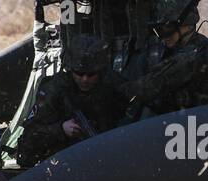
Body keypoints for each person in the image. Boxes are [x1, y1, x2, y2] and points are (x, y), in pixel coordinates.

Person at [14, 34, 127, 166]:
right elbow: (26, 147)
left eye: (91, 74)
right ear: (70, 69)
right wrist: (61, 129)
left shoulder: (112, 84)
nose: (85, 79)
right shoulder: (54, 90)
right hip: (64, 165)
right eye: (79, 73)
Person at [122, 0, 208, 118]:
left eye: (167, 28)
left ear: (187, 25)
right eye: (159, 30)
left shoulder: (194, 54)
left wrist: (117, 87)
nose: (163, 36)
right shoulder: (176, 50)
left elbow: (152, 85)